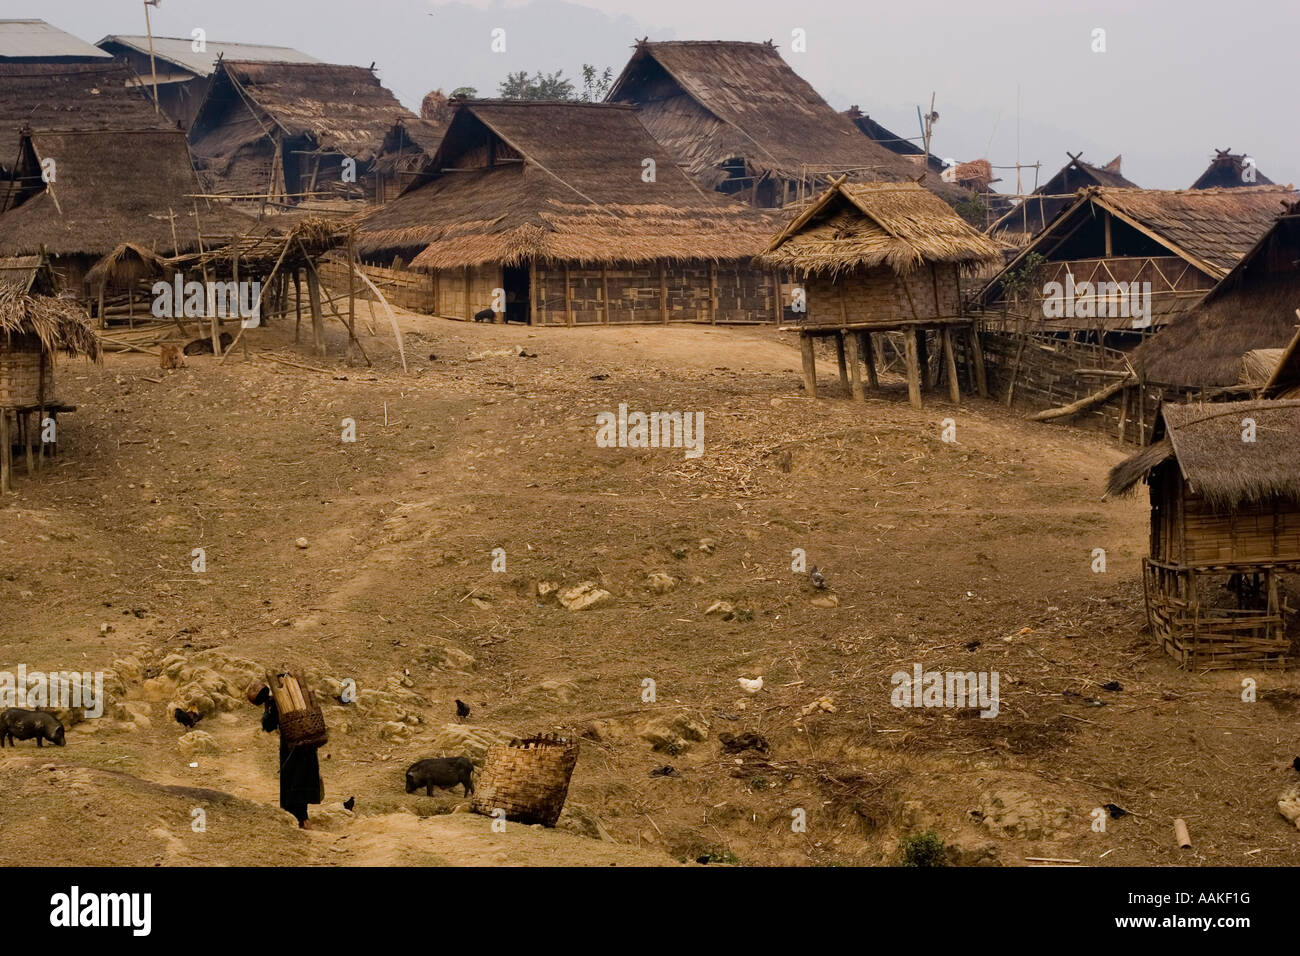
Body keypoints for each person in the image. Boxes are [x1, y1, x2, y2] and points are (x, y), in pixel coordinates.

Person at [251, 683, 324, 829]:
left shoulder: (276, 703)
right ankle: (304, 819)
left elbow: (268, 725)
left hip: (291, 749)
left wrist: (267, 708)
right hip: (308, 747)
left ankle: (302, 822)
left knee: (293, 785)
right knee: (303, 782)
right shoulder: (296, 700)